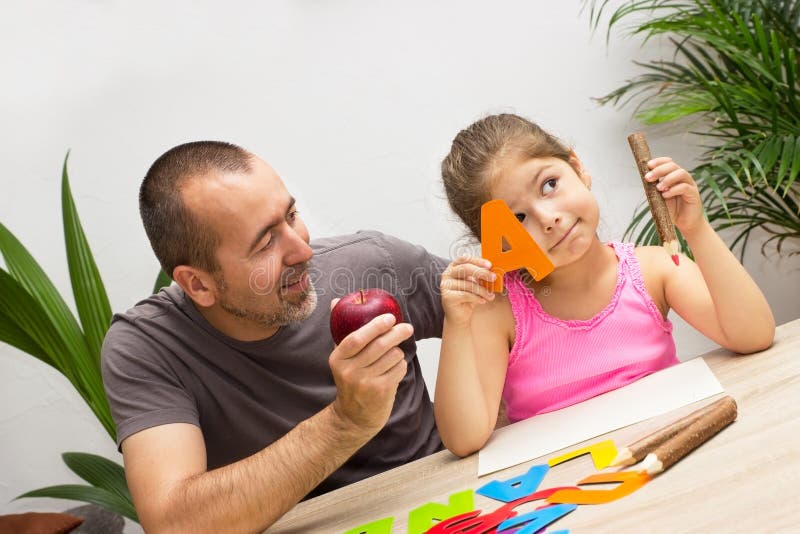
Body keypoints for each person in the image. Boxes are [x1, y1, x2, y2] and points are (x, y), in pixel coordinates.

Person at [100, 141, 448, 532]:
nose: (303, 250)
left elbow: (518, 311)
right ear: (197, 284)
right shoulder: (148, 348)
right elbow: (175, 524)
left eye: (292, 215)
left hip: (451, 511)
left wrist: (495, 419)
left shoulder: (371, 264)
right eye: (266, 242)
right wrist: (345, 423)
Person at [434, 113, 775, 457]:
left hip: (674, 453)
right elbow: (464, 440)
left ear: (578, 168)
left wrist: (696, 228)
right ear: (498, 243)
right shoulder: (500, 312)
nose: (548, 218)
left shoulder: (654, 269)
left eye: (549, 184)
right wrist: (457, 323)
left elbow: (754, 335)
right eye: (518, 218)